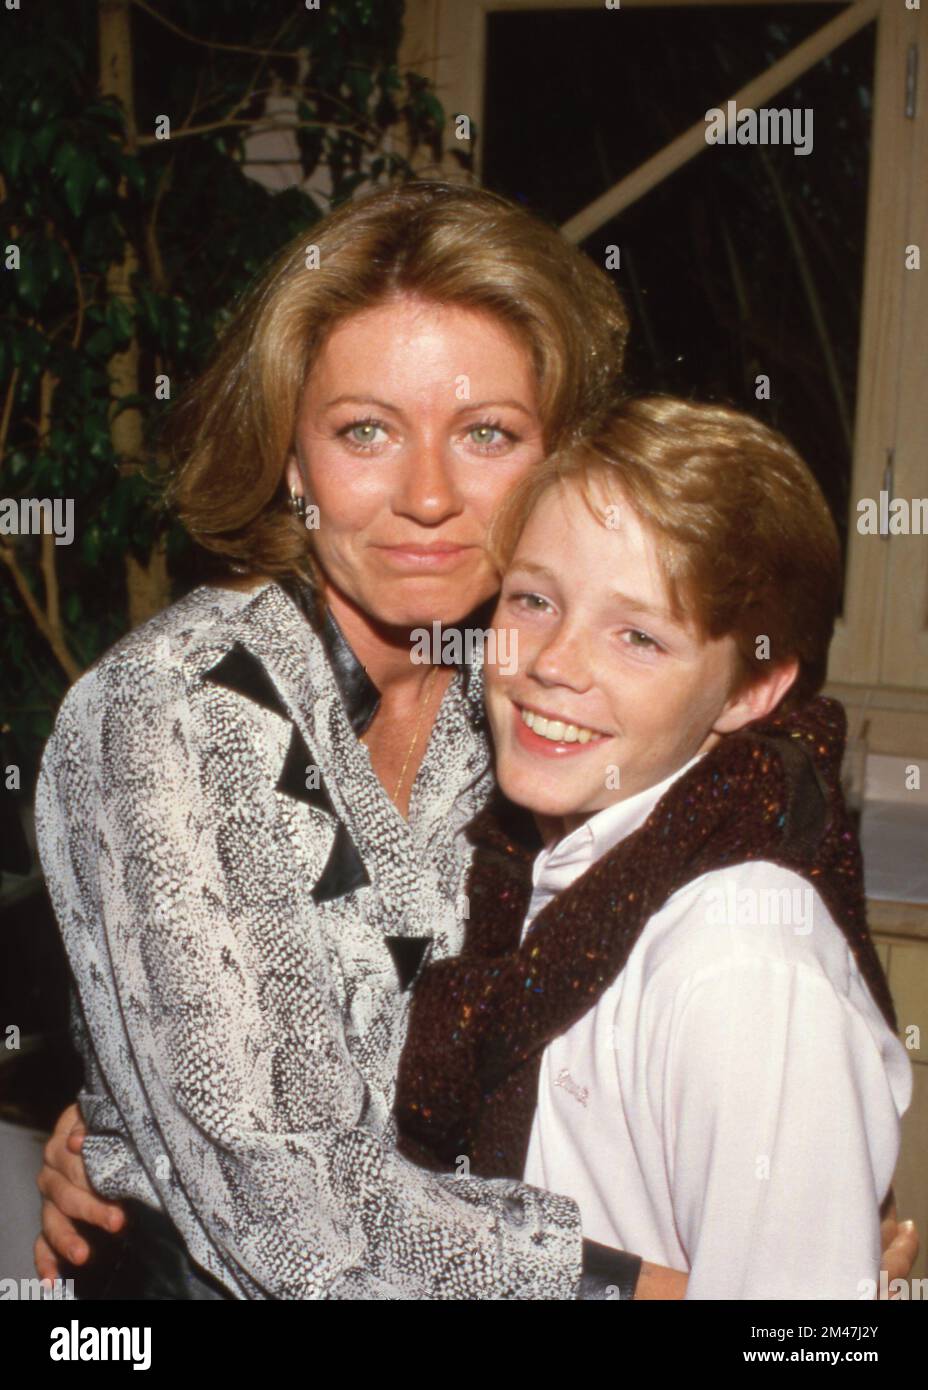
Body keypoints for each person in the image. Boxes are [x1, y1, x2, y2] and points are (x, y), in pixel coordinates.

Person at [32, 178, 677, 1300]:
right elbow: (295, 1219)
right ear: (291, 456)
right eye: (366, 429)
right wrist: (691, 1292)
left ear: (558, 462)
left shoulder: (539, 695)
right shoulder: (171, 713)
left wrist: (812, 1188)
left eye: (485, 432)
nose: (426, 495)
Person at [394, 396, 915, 1298]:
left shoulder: (742, 964)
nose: (554, 662)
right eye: (534, 599)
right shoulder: (521, 875)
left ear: (752, 692)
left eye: (638, 636)